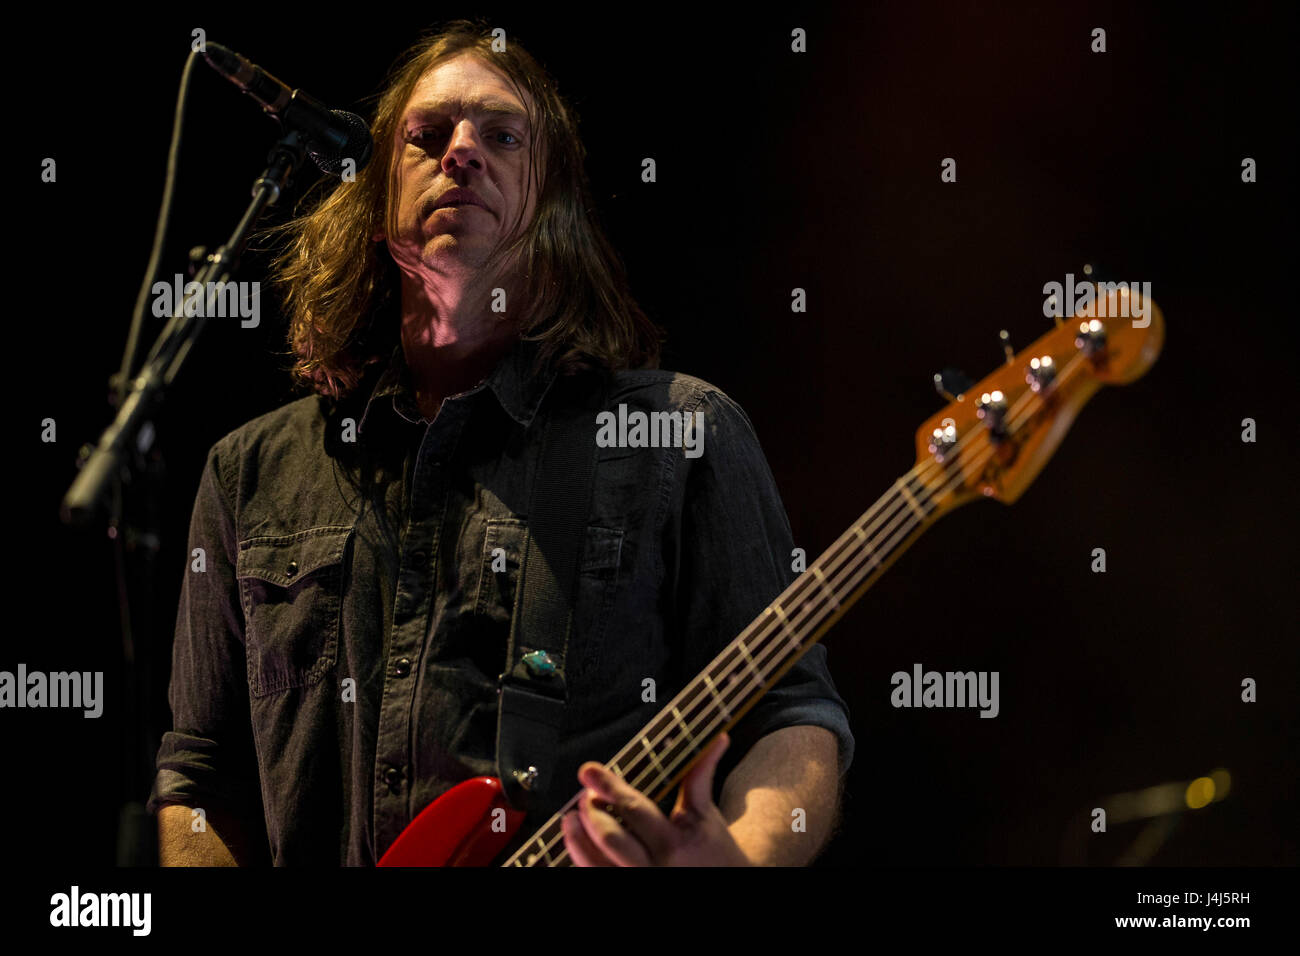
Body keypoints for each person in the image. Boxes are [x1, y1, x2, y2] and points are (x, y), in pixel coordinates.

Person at [148, 19, 854, 866]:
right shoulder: (249, 472)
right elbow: (199, 776)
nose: (462, 152)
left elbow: (790, 717)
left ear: (550, 210)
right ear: (374, 207)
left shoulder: (682, 436)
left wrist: (738, 858)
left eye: (503, 135)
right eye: (427, 135)